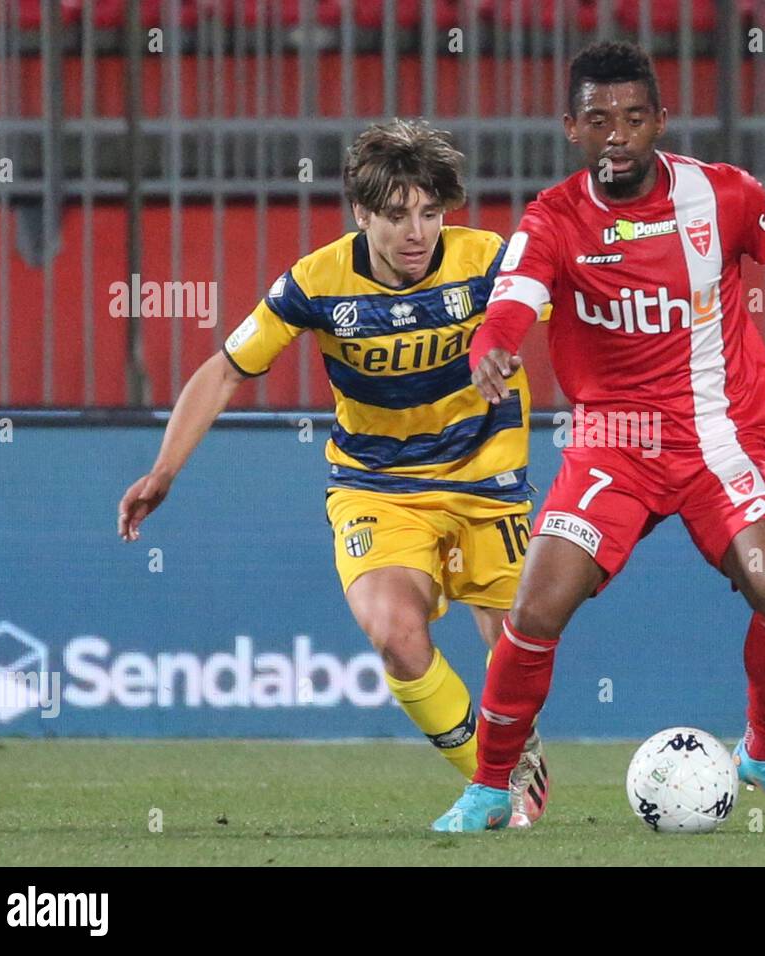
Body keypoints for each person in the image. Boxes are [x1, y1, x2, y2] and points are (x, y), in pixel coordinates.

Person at [432, 41, 765, 833]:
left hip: (718, 437)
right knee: (538, 605)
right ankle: (490, 786)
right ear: (570, 130)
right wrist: (492, 350)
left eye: (632, 117)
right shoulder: (553, 218)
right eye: (598, 120)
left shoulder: (725, 197)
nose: (616, 134)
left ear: (660, 120)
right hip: (612, 442)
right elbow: (512, 302)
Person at [116, 119, 550, 826]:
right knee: (395, 633)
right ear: (361, 213)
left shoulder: (491, 262)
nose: (418, 233)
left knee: (517, 648)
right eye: (397, 214)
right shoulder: (315, 284)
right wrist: (164, 470)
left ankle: (514, 742)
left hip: (486, 481)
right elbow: (228, 369)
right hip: (378, 487)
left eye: (431, 214)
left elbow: (581, 317)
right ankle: (492, 781)